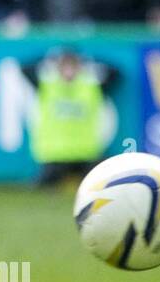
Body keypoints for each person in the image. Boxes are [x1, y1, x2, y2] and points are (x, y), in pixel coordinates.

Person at [22, 48, 120, 187]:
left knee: (107, 184)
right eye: (64, 66)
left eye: (73, 65)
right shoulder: (47, 86)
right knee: (40, 187)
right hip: (55, 156)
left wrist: (89, 59)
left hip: (86, 155)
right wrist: (48, 57)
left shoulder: (92, 87)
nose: (69, 70)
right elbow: (24, 68)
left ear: (80, 67)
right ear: (57, 67)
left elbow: (116, 72)